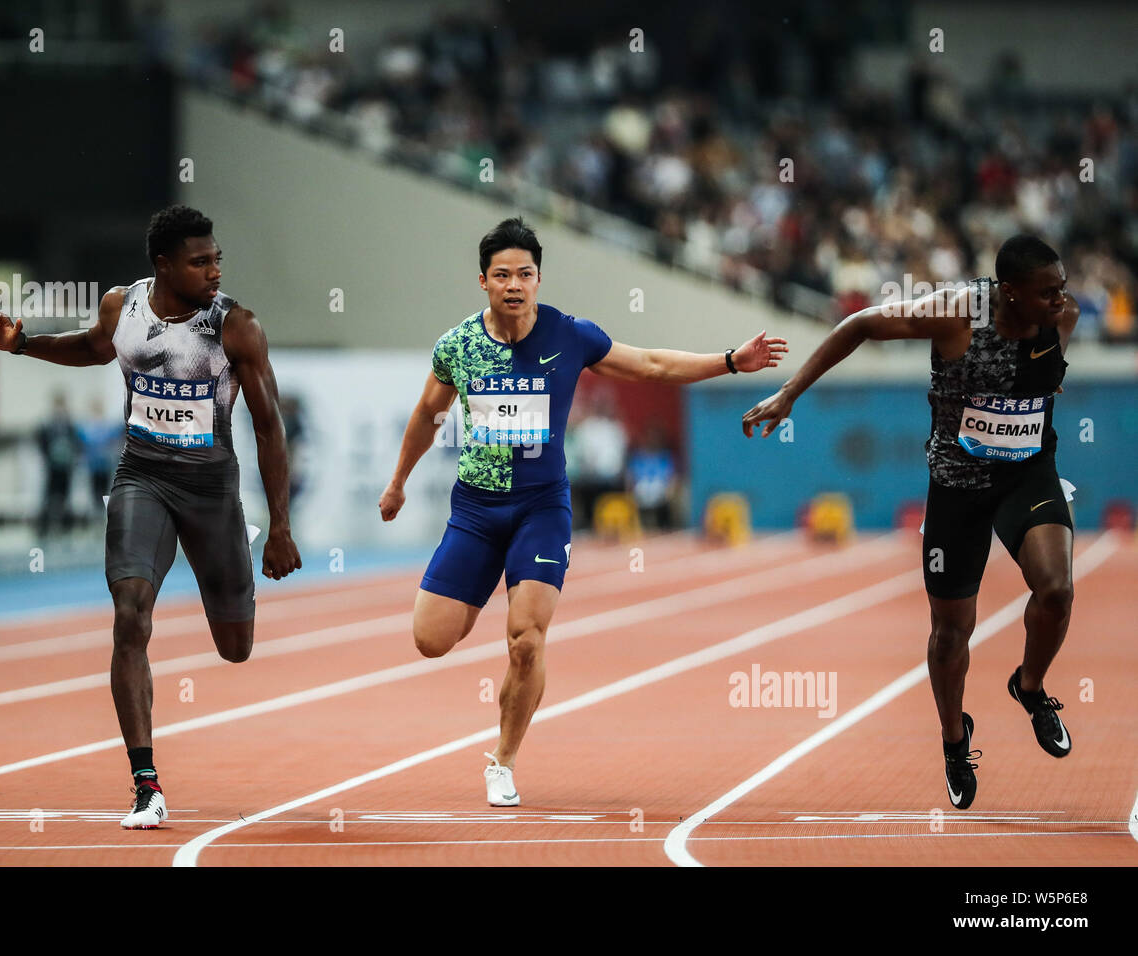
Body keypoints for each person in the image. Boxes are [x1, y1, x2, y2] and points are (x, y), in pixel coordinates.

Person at [379, 217, 786, 806]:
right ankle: (476, 607)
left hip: (541, 508)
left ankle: (503, 760)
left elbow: (651, 364)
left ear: (539, 279)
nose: (514, 285)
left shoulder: (571, 335)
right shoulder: (458, 346)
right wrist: (398, 482)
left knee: (525, 640)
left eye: (524, 274)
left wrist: (728, 360)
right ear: (483, 281)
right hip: (476, 510)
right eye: (502, 275)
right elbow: (427, 413)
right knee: (431, 639)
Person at [0, 205, 301, 828]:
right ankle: (146, 783)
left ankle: (235, 557)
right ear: (163, 265)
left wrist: (280, 526)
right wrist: (21, 344)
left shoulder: (235, 327)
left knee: (236, 647)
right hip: (141, 477)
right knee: (130, 613)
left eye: (217, 260)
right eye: (200, 262)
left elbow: (268, 427)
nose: (214, 271)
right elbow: (92, 348)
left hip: (211, 489)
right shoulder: (121, 307)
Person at [742, 235, 1078, 810]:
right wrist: (790, 393)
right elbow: (860, 324)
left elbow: (1041, 379)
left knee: (1057, 590)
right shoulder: (955, 313)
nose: (1062, 301)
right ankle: (954, 739)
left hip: (1027, 474)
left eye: (1061, 288)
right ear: (1009, 292)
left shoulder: (1060, 318)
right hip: (957, 486)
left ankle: (1030, 686)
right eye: (1047, 292)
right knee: (951, 632)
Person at [35, 391, 79, 538]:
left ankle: (65, 527)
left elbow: (76, 443)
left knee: (65, 497)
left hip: (65, 467)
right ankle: (44, 528)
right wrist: (47, 457)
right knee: (49, 496)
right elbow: (41, 442)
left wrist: (72, 458)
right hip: (52, 467)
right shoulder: (47, 425)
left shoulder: (70, 425)